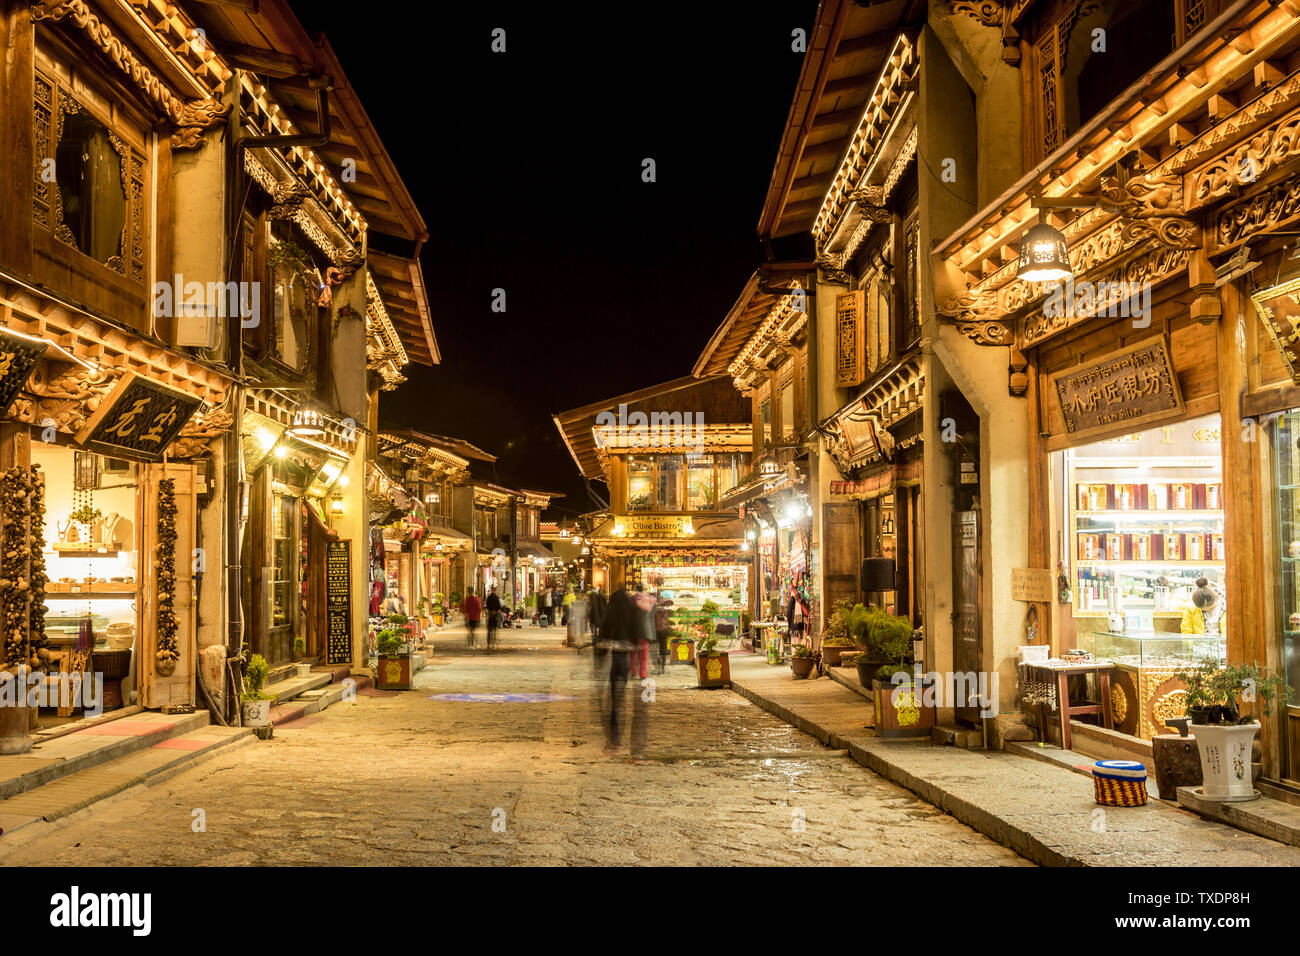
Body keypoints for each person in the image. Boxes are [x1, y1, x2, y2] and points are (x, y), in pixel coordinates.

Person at [484, 585, 502, 651]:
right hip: (494, 616)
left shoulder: (489, 598)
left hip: (491, 615)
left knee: (490, 630)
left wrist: (490, 611)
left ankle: (489, 643)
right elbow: (499, 607)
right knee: (494, 630)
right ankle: (492, 643)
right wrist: (496, 611)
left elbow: (487, 605)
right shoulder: (496, 598)